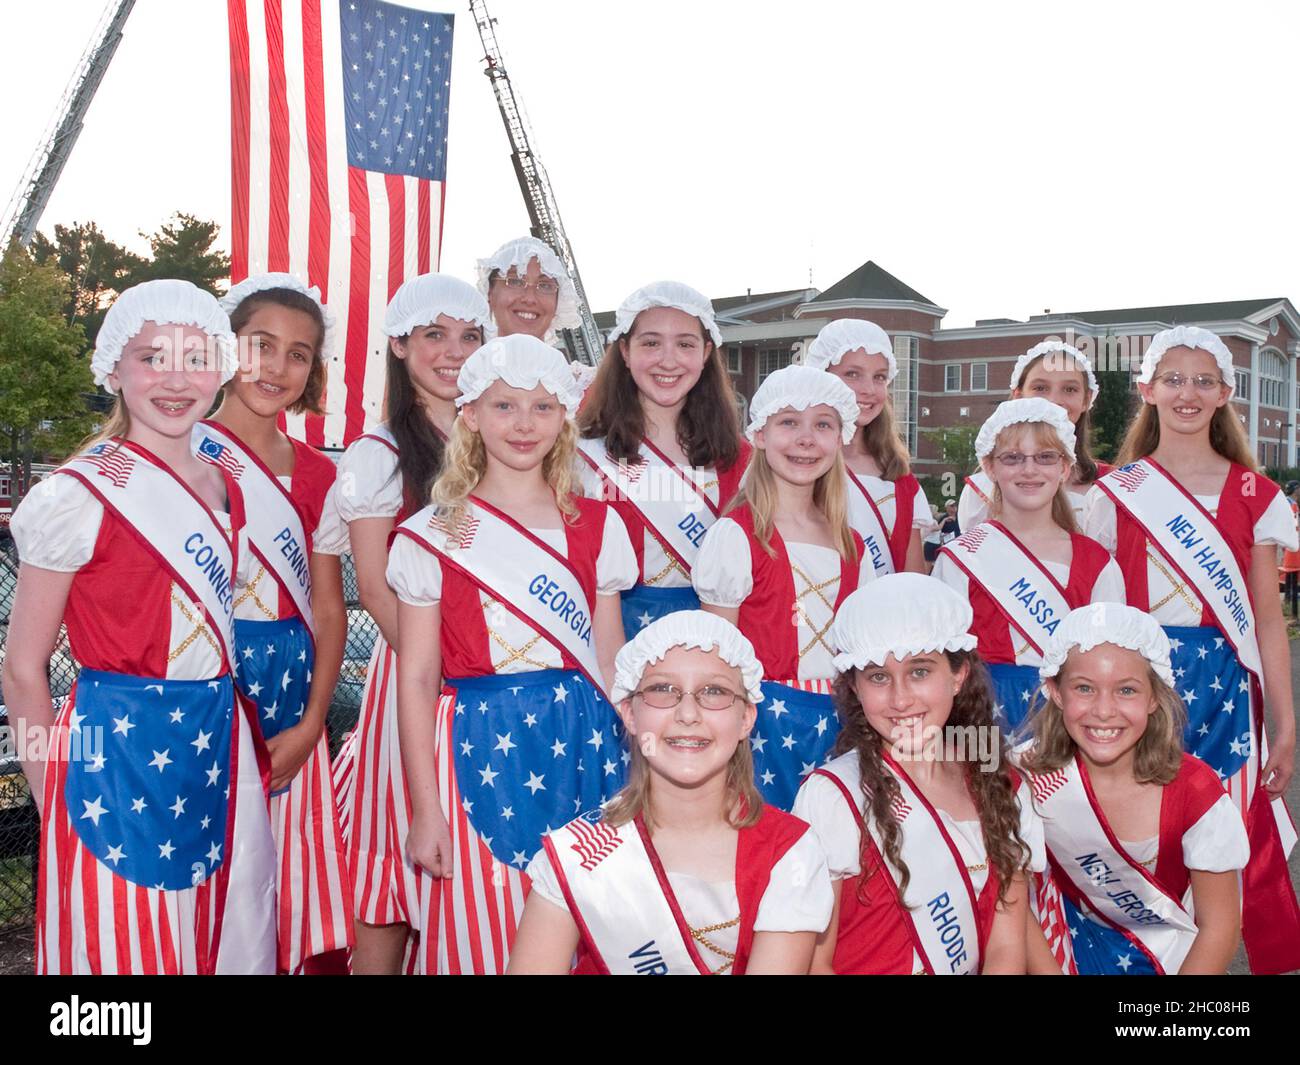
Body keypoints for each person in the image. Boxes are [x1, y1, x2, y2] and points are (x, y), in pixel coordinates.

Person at [2, 279, 276, 973]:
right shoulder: (75, 494)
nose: (175, 379)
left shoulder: (226, 483)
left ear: (223, 367)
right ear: (113, 371)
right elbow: (21, 666)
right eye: (153, 357)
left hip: (213, 740)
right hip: (111, 748)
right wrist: (48, 785)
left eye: (196, 356)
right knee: (121, 950)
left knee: (221, 931)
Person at [387, 334, 637, 974]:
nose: (524, 425)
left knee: (593, 919)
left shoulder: (599, 526)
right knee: (485, 926)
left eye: (542, 407)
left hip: (585, 745)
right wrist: (423, 809)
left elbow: (611, 663)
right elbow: (415, 677)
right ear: (469, 414)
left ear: (566, 419)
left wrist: (643, 769)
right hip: (478, 743)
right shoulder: (434, 533)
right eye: (504, 407)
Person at [1082, 325, 1300, 974]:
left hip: (1227, 691)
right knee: (1140, 833)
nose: (1188, 392)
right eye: (1173, 379)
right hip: (1140, 686)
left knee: (1234, 831)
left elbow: (1266, 619)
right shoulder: (1117, 492)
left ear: (1226, 393)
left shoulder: (1255, 495)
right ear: (1146, 389)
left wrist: (1284, 724)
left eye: (1204, 380)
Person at [507, 611, 834, 974]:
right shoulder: (578, 854)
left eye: (715, 691)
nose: (688, 714)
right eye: (663, 690)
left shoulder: (791, 852)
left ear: (746, 718)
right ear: (630, 713)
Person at [324, 274, 492, 974]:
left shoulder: (497, 431)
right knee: (394, 882)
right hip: (421, 678)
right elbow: (372, 584)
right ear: (398, 344)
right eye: (434, 335)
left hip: (492, 682)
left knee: (476, 876)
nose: (452, 352)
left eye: (469, 337)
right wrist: (447, 672)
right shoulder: (380, 451)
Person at [204, 272, 352, 973]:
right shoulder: (180, 448)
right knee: (205, 876)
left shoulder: (321, 475)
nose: (277, 366)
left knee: (281, 882)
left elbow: (327, 607)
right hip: (204, 684)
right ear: (226, 347)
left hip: (290, 696)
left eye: (298, 353)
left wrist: (314, 719)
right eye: (260, 344)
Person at [793, 574, 1041, 974]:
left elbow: (1006, 951)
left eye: (920, 671)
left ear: (959, 675)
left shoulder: (1003, 782)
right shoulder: (833, 796)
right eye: (878, 677)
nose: (901, 698)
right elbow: (814, 963)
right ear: (854, 688)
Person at [1020, 603, 1248, 974]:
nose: (1104, 711)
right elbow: (1014, 902)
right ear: (1056, 692)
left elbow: (1220, 925)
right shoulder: (1026, 776)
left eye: (1126, 690)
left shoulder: (1196, 793)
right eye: (1084, 688)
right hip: (1061, 948)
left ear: (1155, 697)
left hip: (1171, 959)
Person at [694, 365, 870, 810]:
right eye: (789, 422)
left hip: (842, 728)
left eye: (823, 425)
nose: (806, 439)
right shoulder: (736, 536)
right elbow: (718, 660)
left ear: (841, 438)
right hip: (762, 729)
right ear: (759, 435)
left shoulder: (853, 546)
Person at [933, 399, 1124, 733]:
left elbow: (1109, 662)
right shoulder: (962, 558)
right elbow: (940, 660)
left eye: (1046, 457)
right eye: (1012, 458)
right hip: (979, 722)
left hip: (1068, 726)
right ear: (990, 467)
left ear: (1065, 468)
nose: (1029, 470)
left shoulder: (1098, 564)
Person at [576, 282, 750, 636]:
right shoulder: (579, 453)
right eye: (651, 343)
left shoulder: (741, 457)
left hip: (713, 632)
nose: (668, 360)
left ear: (705, 353)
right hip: (609, 632)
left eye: (685, 344)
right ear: (625, 351)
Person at [800, 320, 930, 574]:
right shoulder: (793, 462)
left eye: (879, 377)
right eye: (852, 374)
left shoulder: (898, 476)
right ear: (819, 376)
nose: (869, 389)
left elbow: (912, 577)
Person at [959, 341, 1110, 532]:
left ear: (1086, 400)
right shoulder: (983, 489)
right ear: (1018, 396)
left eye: (1070, 389)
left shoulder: (1112, 484)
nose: (1054, 401)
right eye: (1040, 388)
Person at [475, 235, 580, 343]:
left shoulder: (559, 360)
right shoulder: (470, 359)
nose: (530, 299)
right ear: (489, 293)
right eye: (516, 282)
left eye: (545, 286)